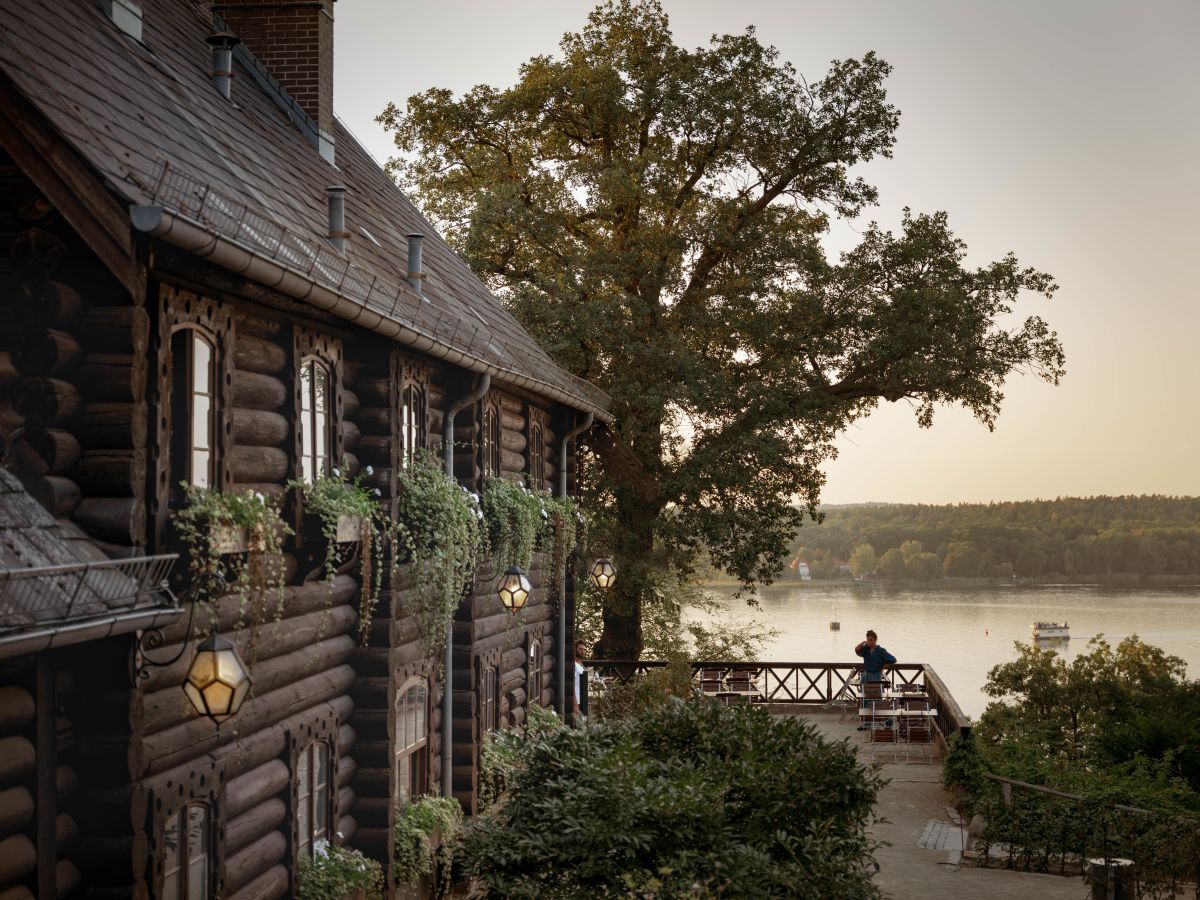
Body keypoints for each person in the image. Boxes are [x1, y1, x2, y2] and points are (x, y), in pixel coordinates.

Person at [854, 630, 897, 730]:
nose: (870, 642)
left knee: (876, 699)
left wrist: (882, 666)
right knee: (865, 699)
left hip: (875, 676)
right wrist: (863, 643)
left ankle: (887, 721)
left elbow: (893, 660)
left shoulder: (881, 650)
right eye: (868, 640)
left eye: (871, 640)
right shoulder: (865, 649)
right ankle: (867, 724)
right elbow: (856, 650)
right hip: (866, 676)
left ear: (875, 640)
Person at [572, 639, 588, 720]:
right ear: (575, 650)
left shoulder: (580, 664)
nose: (583, 651)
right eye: (580, 649)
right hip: (576, 701)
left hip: (582, 700)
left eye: (584, 649)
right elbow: (572, 685)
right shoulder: (573, 665)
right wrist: (575, 704)